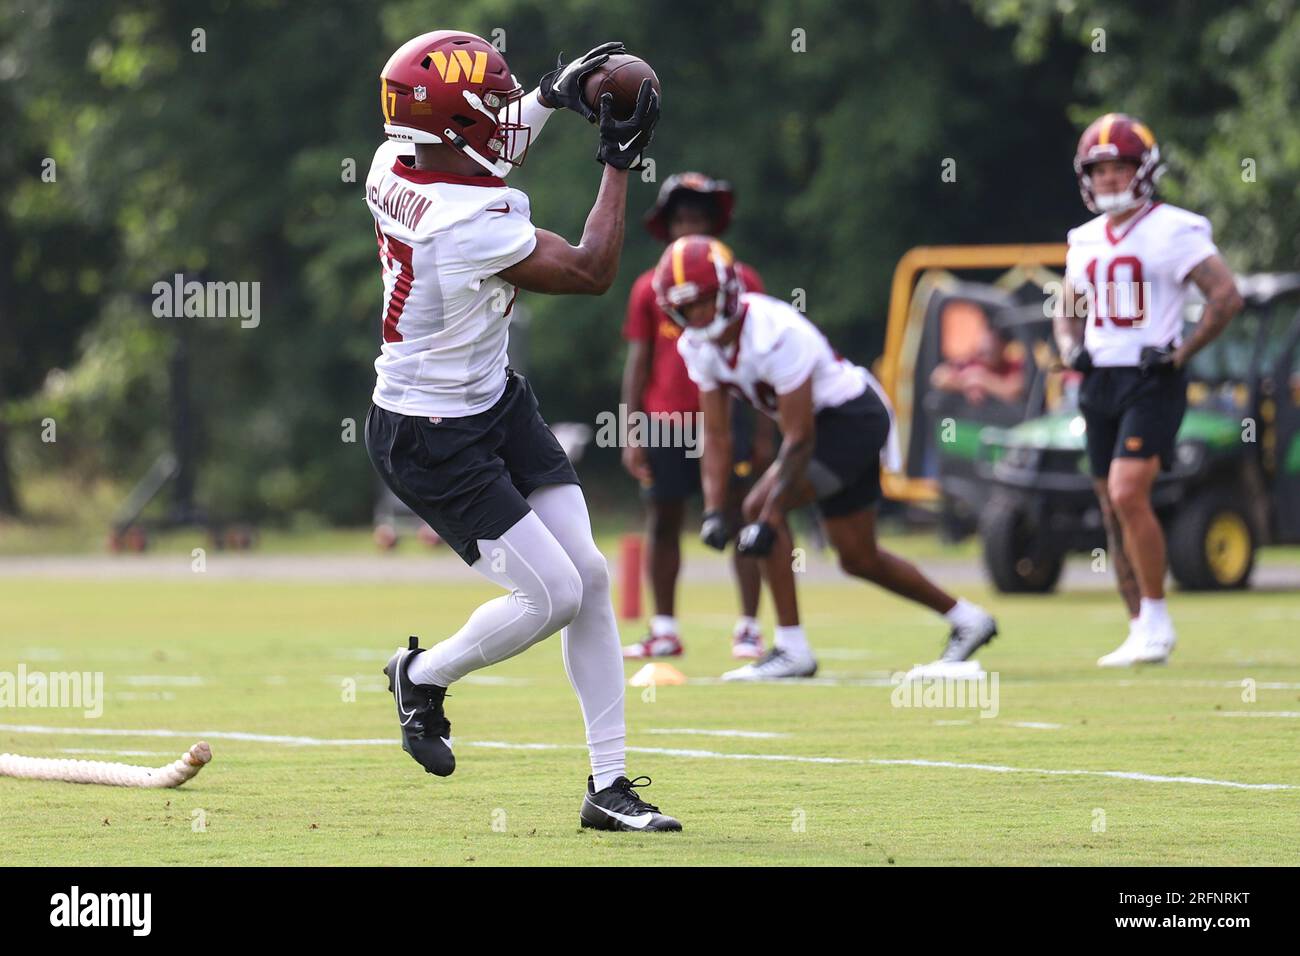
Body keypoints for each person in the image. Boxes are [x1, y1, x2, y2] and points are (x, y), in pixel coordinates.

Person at [364, 31, 679, 831]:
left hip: (491, 401)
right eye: (493, 106)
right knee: (556, 594)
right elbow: (591, 270)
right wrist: (619, 158)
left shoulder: (393, 161)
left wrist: (548, 93)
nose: (507, 117)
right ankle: (421, 675)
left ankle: (608, 789)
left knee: (595, 580)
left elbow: (479, 147)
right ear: (463, 125)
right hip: (430, 431)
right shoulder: (466, 221)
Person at [656, 235, 1000, 680]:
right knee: (858, 557)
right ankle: (969, 619)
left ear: (727, 293)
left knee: (761, 508)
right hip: (823, 428)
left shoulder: (776, 334)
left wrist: (766, 517)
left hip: (850, 419)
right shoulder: (697, 346)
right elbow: (717, 433)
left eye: (703, 302)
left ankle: (792, 648)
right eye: (686, 308)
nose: (697, 316)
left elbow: (798, 438)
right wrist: (713, 509)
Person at [1055, 113, 1243, 667]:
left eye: (1120, 168)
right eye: (1100, 169)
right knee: (1110, 508)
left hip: (1149, 377)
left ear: (1144, 170)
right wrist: (1070, 349)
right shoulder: (1084, 239)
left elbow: (1225, 296)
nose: (1110, 179)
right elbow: (1066, 311)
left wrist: (1180, 353)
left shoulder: (1174, 228)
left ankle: (1158, 619)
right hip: (1099, 380)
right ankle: (1139, 625)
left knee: (1126, 491)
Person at [620, 173, 775, 660]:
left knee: (740, 517)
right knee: (664, 520)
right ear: (668, 228)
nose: (690, 229)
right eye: (682, 220)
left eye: (699, 220)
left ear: (715, 226)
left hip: (731, 420)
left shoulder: (742, 280)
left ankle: (749, 627)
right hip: (668, 421)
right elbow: (638, 362)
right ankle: (664, 628)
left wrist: (766, 434)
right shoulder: (650, 287)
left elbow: (764, 359)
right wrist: (630, 430)